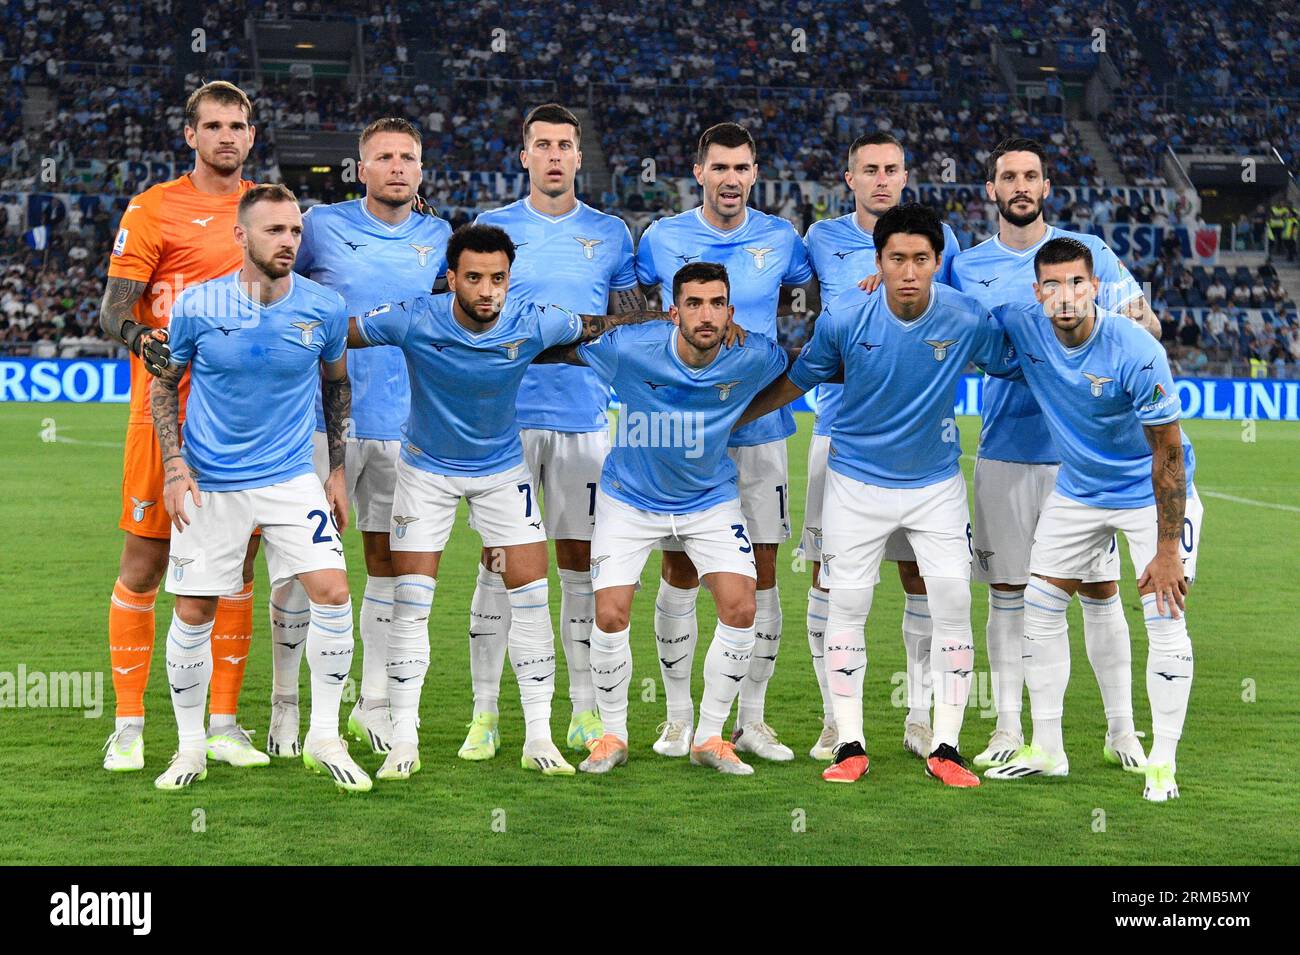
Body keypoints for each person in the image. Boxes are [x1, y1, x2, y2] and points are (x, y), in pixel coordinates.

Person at [345, 224, 665, 780]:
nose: (487, 290)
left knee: (532, 599)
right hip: (425, 473)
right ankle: (402, 739)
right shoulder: (414, 316)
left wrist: (674, 320)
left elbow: (604, 327)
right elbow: (337, 333)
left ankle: (539, 737)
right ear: (451, 280)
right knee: (412, 604)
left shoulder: (534, 319)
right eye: (473, 278)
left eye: (497, 278)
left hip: (501, 473)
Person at [739, 204, 1018, 788]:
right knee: (848, 609)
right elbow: (801, 378)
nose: (909, 271)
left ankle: (945, 745)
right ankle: (849, 743)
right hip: (854, 483)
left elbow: (1018, 362)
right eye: (897, 259)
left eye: (921, 259)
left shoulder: (966, 317)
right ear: (879, 263)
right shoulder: (845, 317)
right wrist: (731, 418)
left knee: (951, 607)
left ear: (939, 263)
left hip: (936, 487)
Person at [949, 137, 1160, 772]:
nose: (1019, 185)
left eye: (1031, 176)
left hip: (1084, 460)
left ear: (1046, 188)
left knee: (1099, 591)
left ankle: (1121, 730)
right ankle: (1011, 728)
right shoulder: (967, 266)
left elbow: (1145, 326)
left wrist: (1087, 331)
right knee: (1008, 594)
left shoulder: (1086, 254)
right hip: (1007, 451)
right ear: (991, 189)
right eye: (1007, 176)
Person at [151, 184, 368, 792]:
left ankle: (324, 737)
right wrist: (174, 465)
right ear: (241, 236)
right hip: (213, 482)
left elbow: (336, 387)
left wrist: (336, 470)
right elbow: (164, 382)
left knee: (332, 589)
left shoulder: (323, 307)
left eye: (295, 231)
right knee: (194, 610)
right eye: (275, 231)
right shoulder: (198, 305)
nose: (289, 242)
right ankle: (191, 747)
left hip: (291, 478)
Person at [534, 262, 787, 776]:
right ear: (673, 312)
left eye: (717, 303)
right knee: (609, 615)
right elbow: (564, 342)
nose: (706, 314)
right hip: (629, 500)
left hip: (709, 500)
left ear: (731, 311)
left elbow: (805, 372)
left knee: (742, 608)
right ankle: (612, 736)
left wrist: (735, 413)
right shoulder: (631, 348)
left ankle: (711, 736)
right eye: (693, 304)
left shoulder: (755, 353)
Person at [983, 237, 1201, 803]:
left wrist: (1168, 547)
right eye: (1051, 285)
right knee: (1040, 605)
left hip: (1148, 492)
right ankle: (1049, 749)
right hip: (1078, 491)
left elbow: (1169, 454)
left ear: (1095, 287)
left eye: (1076, 283)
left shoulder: (1134, 348)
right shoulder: (1022, 325)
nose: (1065, 296)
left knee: (1164, 610)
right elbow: (955, 321)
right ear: (1037, 292)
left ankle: (1163, 762)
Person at [267, 117, 452, 759]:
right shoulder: (319, 224)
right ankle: (284, 707)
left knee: (388, 564)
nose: (397, 167)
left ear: (421, 171)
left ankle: (372, 704)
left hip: (406, 430)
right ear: (361, 167)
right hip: (319, 427)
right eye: (383, 157)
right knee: (299, 568)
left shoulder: (440, 235)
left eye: (408, 158)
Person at [98, 81, 267, 773]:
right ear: (190, 136)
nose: (228, 135)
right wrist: (143, 340)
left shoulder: (266, 209)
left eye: (239, 125)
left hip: (241, 418)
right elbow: (113, 310)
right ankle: (130, 725)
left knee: (236, 565)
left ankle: (223, 724)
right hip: (161, 413)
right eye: (215, 125)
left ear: (252, 135)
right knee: (145, 563)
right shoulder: (154, 208)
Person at [464, 104, 641, 760]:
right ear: (525, 155)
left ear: (577, 155)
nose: (557, 155)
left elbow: (624, 324)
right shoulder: (493, 228)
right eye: (544, 145)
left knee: (580, 568)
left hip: (585, 423)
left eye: (566, 145)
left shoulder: (612, 234)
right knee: (499, 567)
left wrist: (569, 340)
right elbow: (473, 320)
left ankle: (584, 712)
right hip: (504, 425)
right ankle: (485, 715)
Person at [634, 123, 813, 762]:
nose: (731, 179)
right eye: (720, 168)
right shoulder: (662, 238)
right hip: (682, 430)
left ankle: (751, 720)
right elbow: (632, 305)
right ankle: (679, 719)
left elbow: (819, 292)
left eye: (742, 168)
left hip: (759, 430)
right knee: (680, 568)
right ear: (699, 172)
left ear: (754, 173)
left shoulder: (783, 238)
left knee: (762, 576)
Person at [801, 131, 962, 762]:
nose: (882, 179)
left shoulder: (927, 244)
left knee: (921, 577)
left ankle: (919, 714)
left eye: (892, 168)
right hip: (839, 434)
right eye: (869, 169)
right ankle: (833, 719)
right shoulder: (818, 240)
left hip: (919, 445)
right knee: (827, 578)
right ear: (849, 178)